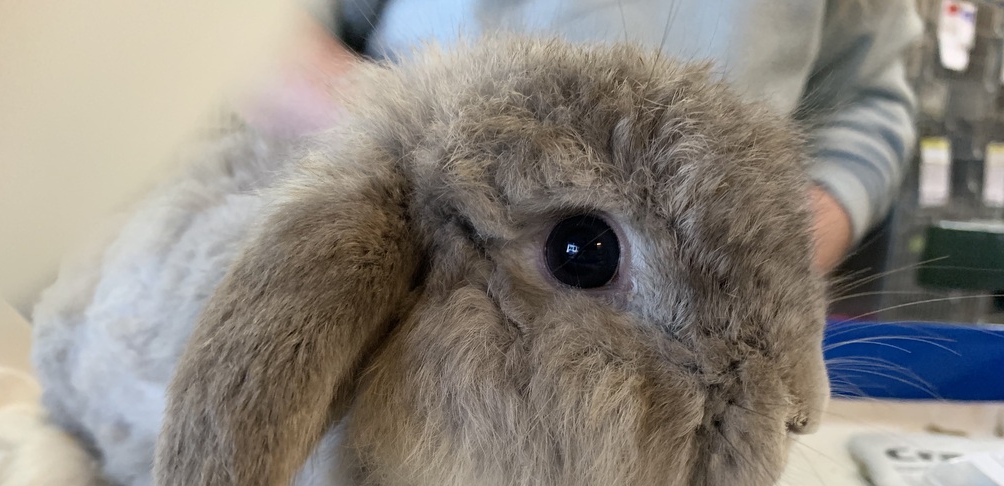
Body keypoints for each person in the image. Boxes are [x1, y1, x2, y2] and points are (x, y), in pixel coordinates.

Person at [246, 0, 924, 275]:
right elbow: (262, 38)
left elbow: (865, 101)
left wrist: (767, 278)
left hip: (696, 327)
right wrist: (429, 163)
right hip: (417, 280)